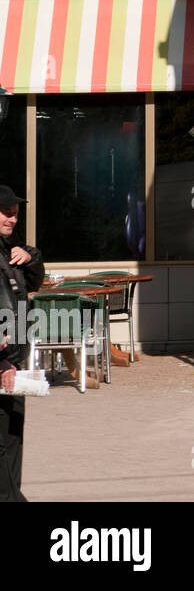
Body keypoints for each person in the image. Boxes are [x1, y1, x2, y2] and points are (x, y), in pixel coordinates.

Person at [0, 184, 43, 503]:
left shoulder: (9, 252)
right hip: (3, 364)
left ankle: (14, 493)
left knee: (14, 435)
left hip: (17, 362)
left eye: (14, 213)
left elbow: (34, 281)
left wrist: (31, 257)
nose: (11, 218)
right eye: (5, 212)